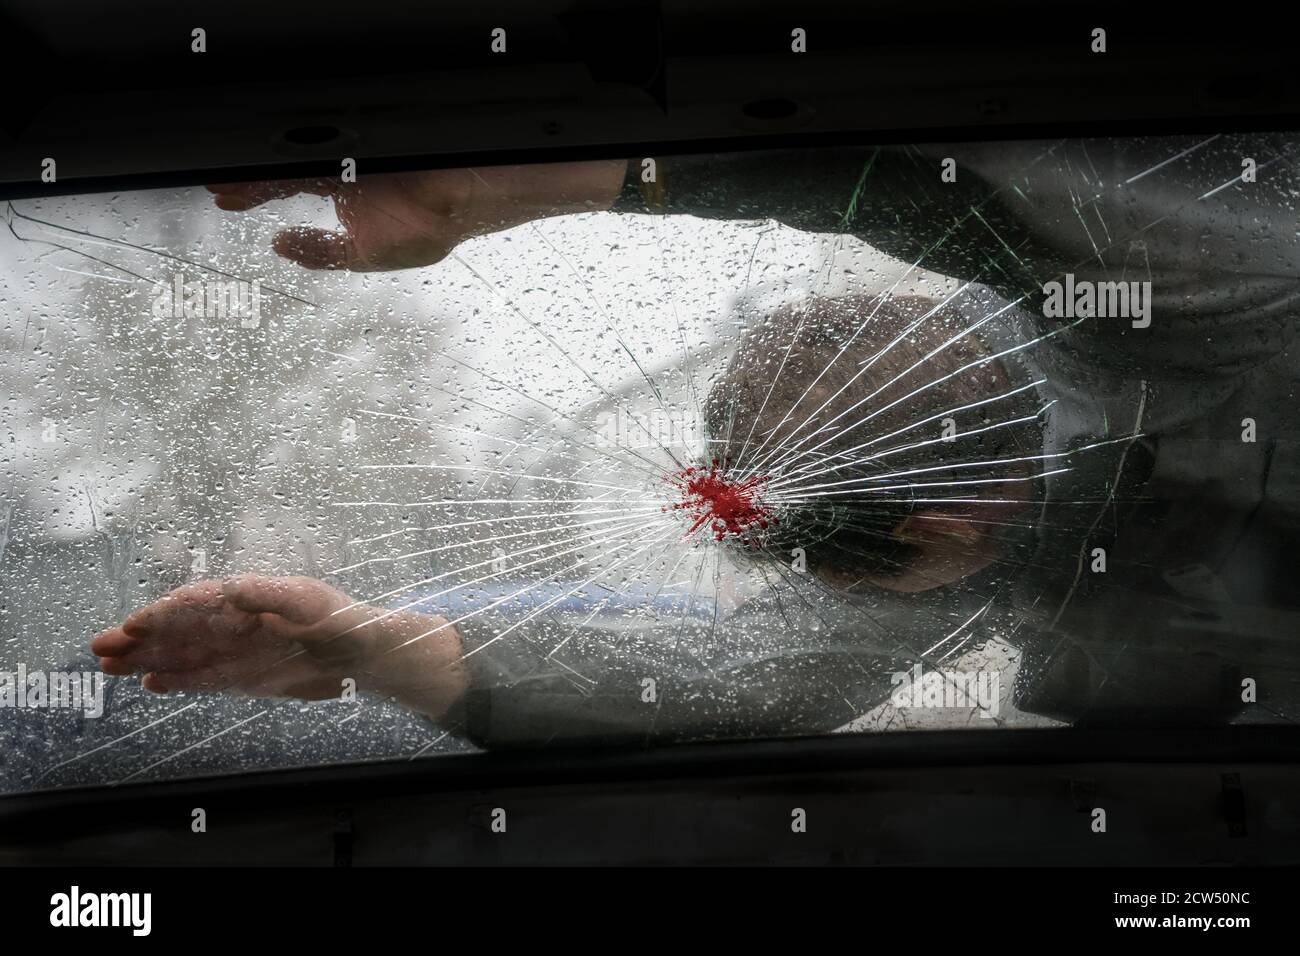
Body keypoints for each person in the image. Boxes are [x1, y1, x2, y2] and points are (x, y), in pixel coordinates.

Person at [94, 133, 1300, 744]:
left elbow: (934, 176)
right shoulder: (989, 525)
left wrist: (522, 180)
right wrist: (375, 646)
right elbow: (754, 682)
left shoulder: (1203, 289)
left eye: (839, 573)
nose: (838, 608)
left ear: (945, 524)